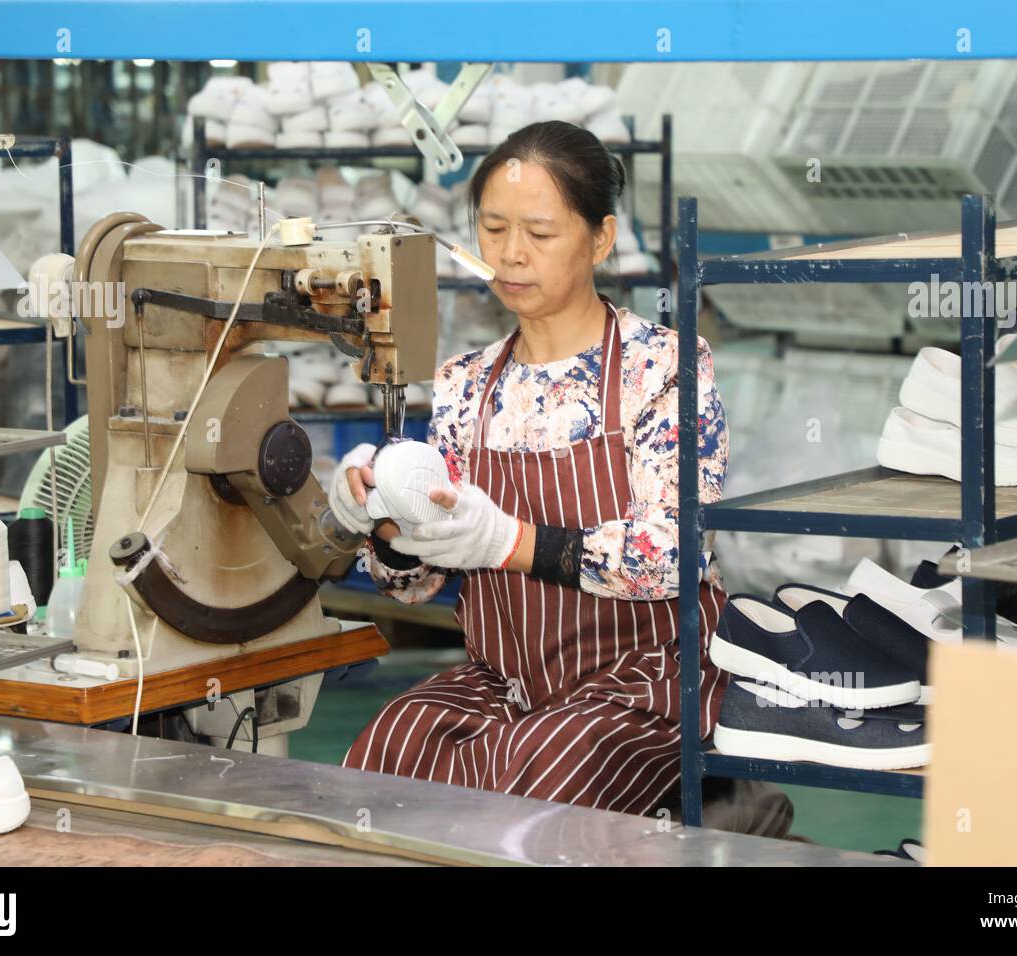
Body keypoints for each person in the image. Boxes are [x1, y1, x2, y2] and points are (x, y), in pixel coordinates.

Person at [330, 120, 792, 835]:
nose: (511, 255)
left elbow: (673, 554)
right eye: (493, 228)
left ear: (601, 238)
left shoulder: (660, 368)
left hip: (648, 676)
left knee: (538, 778)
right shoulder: (465, 383)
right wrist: (386, 526)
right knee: (386, 752)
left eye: (540, 234)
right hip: (506, 679)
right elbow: (417, 583)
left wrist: (510, 542)